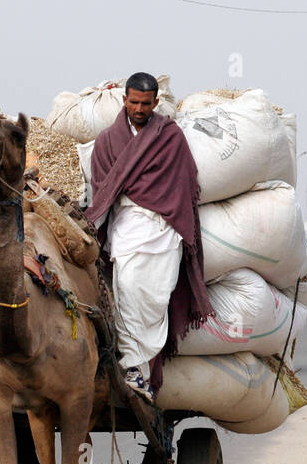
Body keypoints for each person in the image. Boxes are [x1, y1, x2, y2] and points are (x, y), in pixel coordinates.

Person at [86, 72, 213, 403]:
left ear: (155, 103)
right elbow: (103, 188)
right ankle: (131, 367)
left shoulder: (170, 137)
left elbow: (184, 185)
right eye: (133, 102)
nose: (139, 108)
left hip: (164, 230)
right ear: (124, 100)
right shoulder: (107, 141)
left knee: (157, 299)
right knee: (127, 291)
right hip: (127, 229)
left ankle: (143, 370)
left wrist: (169, 214)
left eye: (145, 103)